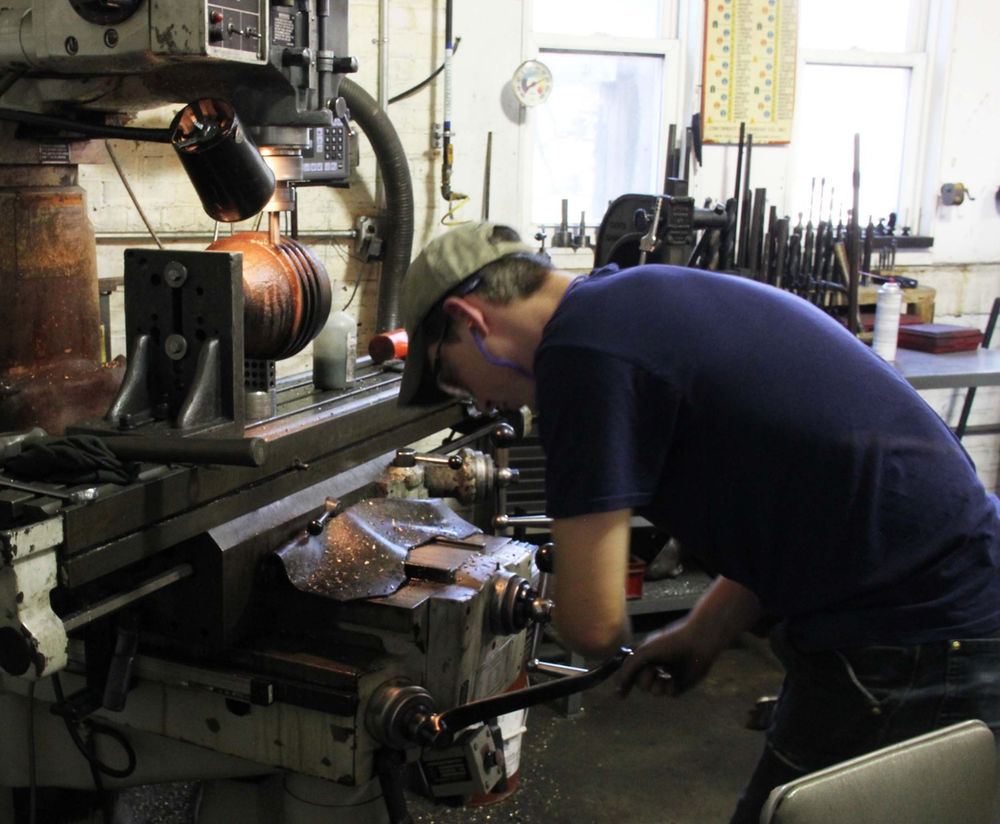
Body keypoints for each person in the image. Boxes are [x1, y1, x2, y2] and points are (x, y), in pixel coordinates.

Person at [397, 221, 1000, 822]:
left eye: (450, 375)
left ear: (470, 321)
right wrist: (704, 630)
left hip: (919, 626)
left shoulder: (579, 355)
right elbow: (794, 506)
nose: (476, 402)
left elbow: (593, 624)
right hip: (940, 589)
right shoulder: (633, 298)